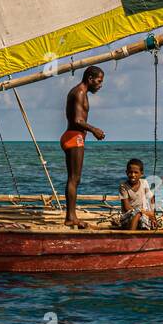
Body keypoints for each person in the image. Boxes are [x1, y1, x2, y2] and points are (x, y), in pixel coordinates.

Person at [61, 66, 106, 228]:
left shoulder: (81, 92)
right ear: (90, 79)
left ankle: (71, 215)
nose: (100, 85)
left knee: (75, 178)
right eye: (99, 81)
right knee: (74, 178)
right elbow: (78, 120)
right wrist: (95, 130)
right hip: (74, 136)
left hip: (74, 136)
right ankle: (70, 217)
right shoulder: (79, 92)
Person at [118, 158, 157, 230]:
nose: (133, 175)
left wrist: (152, 215)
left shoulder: (144, 183)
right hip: (128, 216)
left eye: (136, 172)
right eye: (130, 172)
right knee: (137, 214)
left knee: (144, 220)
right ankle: (130, 237)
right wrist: (142, 212)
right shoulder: (123, 186)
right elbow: (127, 208)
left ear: (141, 173)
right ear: (126, 172)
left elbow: (151, 199)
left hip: (142, 214)